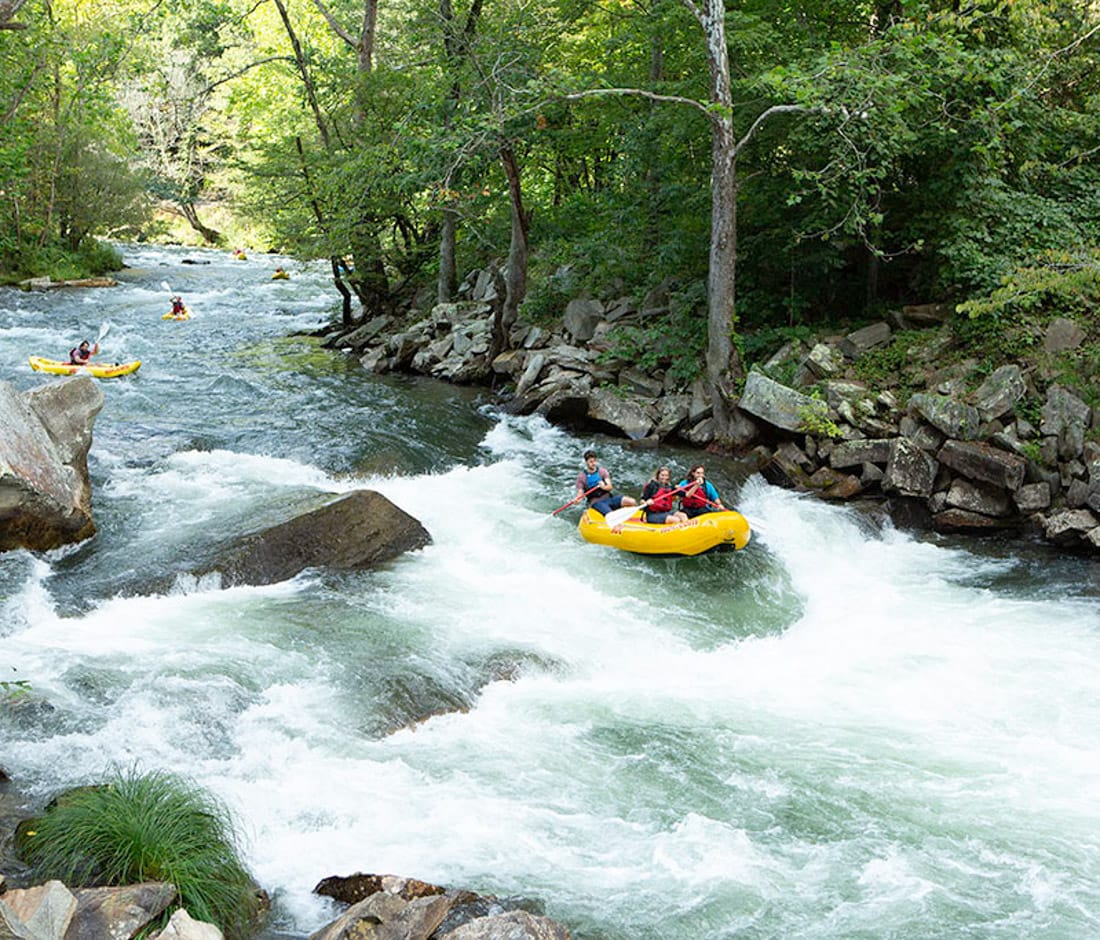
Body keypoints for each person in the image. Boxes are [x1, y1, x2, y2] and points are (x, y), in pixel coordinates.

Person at [575, 450, 636, 517]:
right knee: (611, 515)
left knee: (632, 502)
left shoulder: (602, 471)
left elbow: (610, 487)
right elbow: (580, 493)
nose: (593, 463)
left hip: (609, 498)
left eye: (594, 461)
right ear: (586, 462)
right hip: (596, 502)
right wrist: (577, 500)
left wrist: (603, 487)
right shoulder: (582, 477)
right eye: (591, 462)